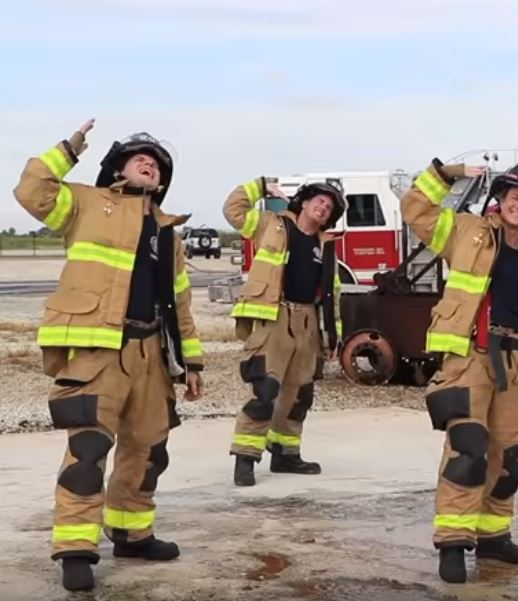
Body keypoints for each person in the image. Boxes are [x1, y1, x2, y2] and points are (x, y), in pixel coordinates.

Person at [13, 119, 204, 592]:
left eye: (158, 164)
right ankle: (76, 548)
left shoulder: (168, 234)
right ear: (119, 167)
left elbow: (180, 304)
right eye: (141, 158)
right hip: (97, 348)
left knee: (147, 451)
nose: (151, 164)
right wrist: (67, 149)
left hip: (151, 354)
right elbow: (30, 191)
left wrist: (192, 363)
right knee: (89, 449)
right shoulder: (83, 203)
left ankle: (131, 533)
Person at [402, 154, 518, 583]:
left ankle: (493, 536)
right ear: (501, 198)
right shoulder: (467, 232)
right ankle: (452, 541)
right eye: (514, 195)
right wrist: (443, 175)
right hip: (469, 356)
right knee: (468, 448)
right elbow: (416, 209)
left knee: (510, 455)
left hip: (514, 361)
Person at [223, 177, 346, 486]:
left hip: (307, 322)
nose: (323, 207)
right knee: (265, 389)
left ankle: (285, 454)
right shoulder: (271, 225)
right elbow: (232, 210)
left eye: (329, 207)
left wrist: (332, 336)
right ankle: (245, 458)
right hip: (274, 315)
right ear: (303, 202)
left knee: (299, 394)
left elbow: (333, 295)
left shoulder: (325, 245)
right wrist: (261, 186)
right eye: (319, 201)